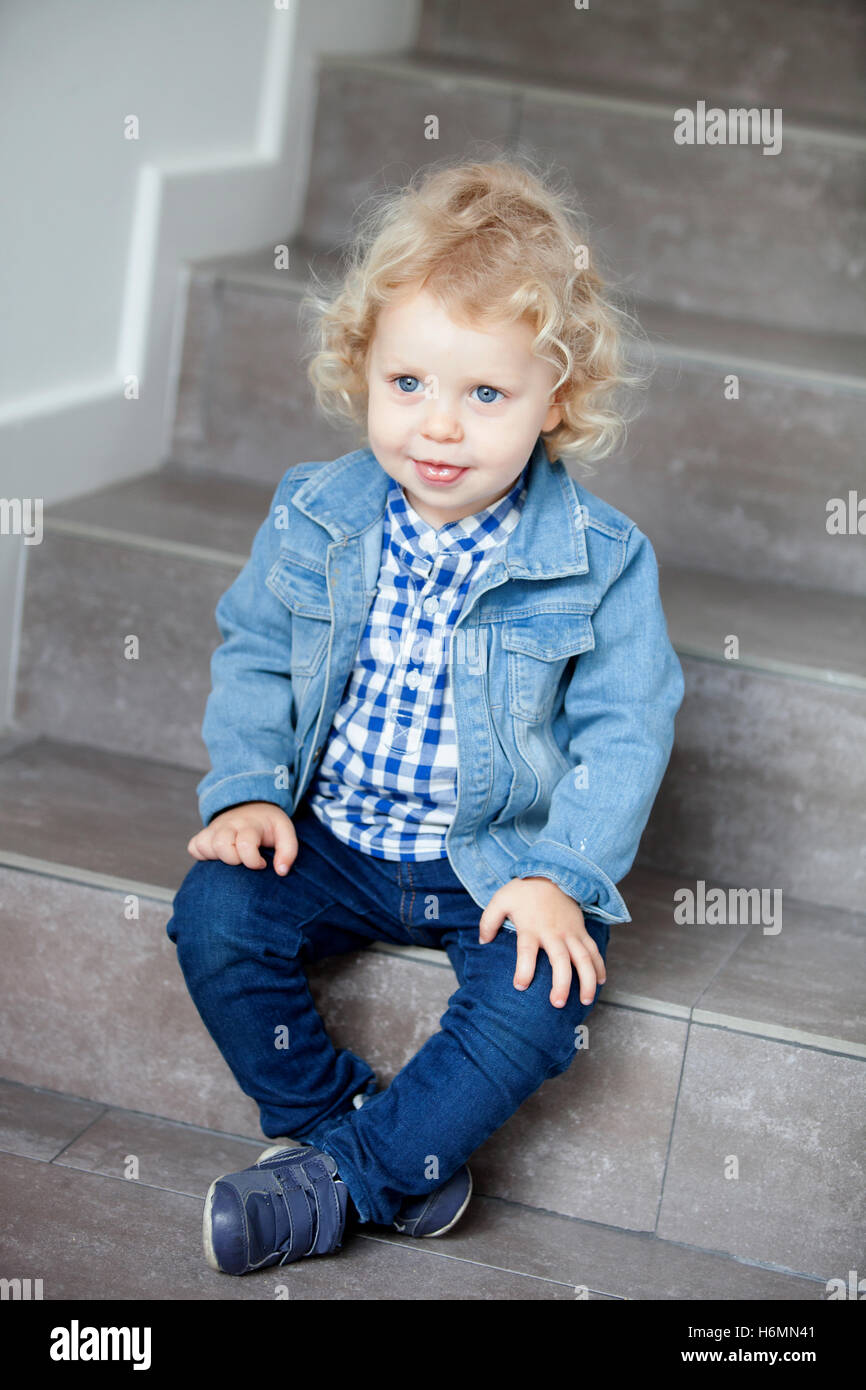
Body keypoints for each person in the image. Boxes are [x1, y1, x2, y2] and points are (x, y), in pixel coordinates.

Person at [165, 154, 685, 1276]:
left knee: (540, 996)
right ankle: (367, 1138)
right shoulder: (316, 511)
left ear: (559, 400)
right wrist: (249, 789)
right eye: (407, 384)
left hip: (494, 863)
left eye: (484, 394)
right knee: (214, 914)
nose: (437, 427)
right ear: (361, 370)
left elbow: (625, 729)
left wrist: (558, 874)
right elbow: (255, 652)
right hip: (336, 839)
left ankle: (334, 1184)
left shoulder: (597, 560)